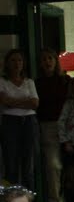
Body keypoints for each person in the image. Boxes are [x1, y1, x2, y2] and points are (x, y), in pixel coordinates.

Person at [0, 49, 40, 191]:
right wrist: (25, 101)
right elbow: (5, 102)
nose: (17, 63)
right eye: (13, 60)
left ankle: (29, 200)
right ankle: (11, 200)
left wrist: (14, 102)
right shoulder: (2, 82)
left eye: (19, 60)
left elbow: (35, 103)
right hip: (10, 122)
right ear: (7, 64)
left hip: (29, 122)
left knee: (28, 163)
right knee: (11, 163)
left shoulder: (29, 82)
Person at [34, 51, 67, 202]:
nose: (47, 62)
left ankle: (68, 200)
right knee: (53, 165)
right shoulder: (37, 83)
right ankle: (54, 200)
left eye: (50, 59)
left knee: (68, 165)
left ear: (55, 61)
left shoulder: (65, 81)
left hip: (67, 125)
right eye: (44, 59)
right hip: (48, 125)